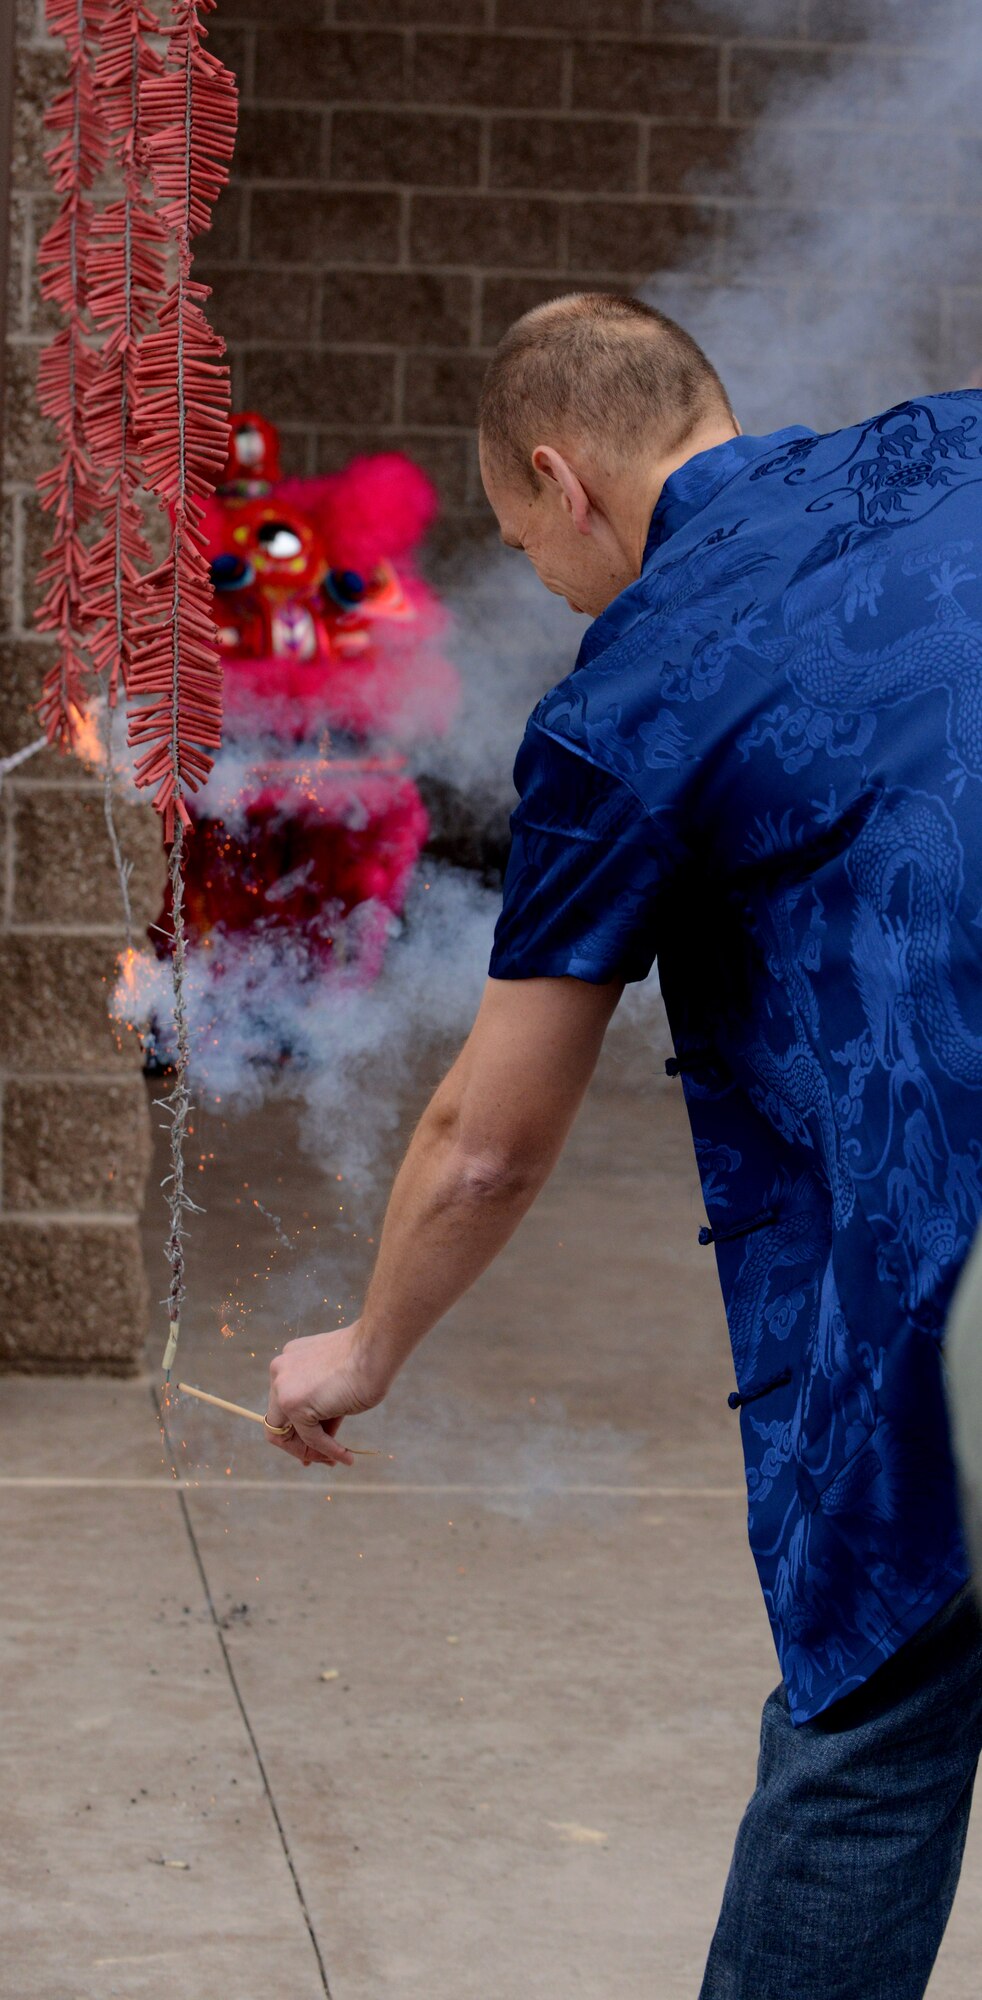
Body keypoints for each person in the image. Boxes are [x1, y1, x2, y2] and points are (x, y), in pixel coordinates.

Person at [264, 293, 982, 1999]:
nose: (554, 587)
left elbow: (488, 1144)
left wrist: (364, 1350)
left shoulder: (631, 700)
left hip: (940, 1273)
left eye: (528, 549)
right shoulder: (954, 448)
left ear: (560, 480)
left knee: (874, 1725)